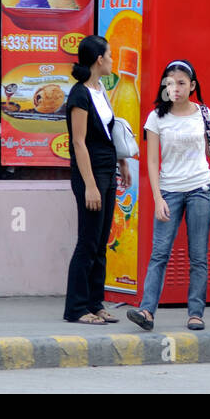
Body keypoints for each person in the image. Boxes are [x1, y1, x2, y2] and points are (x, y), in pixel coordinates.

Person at [128, 59, 210, 332]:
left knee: (198, 255)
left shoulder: (203, 113)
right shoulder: (156, 117)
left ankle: (196, 313)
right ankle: (147, 310)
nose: (175, 88)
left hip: (200, 190)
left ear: (192, 86)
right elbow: (152, 163)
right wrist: (158, 198)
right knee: (160, 253)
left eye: (181, 82)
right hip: (169, 190)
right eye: (170, 83)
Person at [63, 35, 131, 325]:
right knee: (88, 241)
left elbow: (107, 132)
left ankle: (95, 302)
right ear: (99, 60)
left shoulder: (101, 90)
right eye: (110, 56)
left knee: (102, 240)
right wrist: (89, 184)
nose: (113, 61)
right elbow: (79, 143)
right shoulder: (79, 95)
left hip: (107, 169)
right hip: (89, 174)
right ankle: (77, 308)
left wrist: (122, 162)